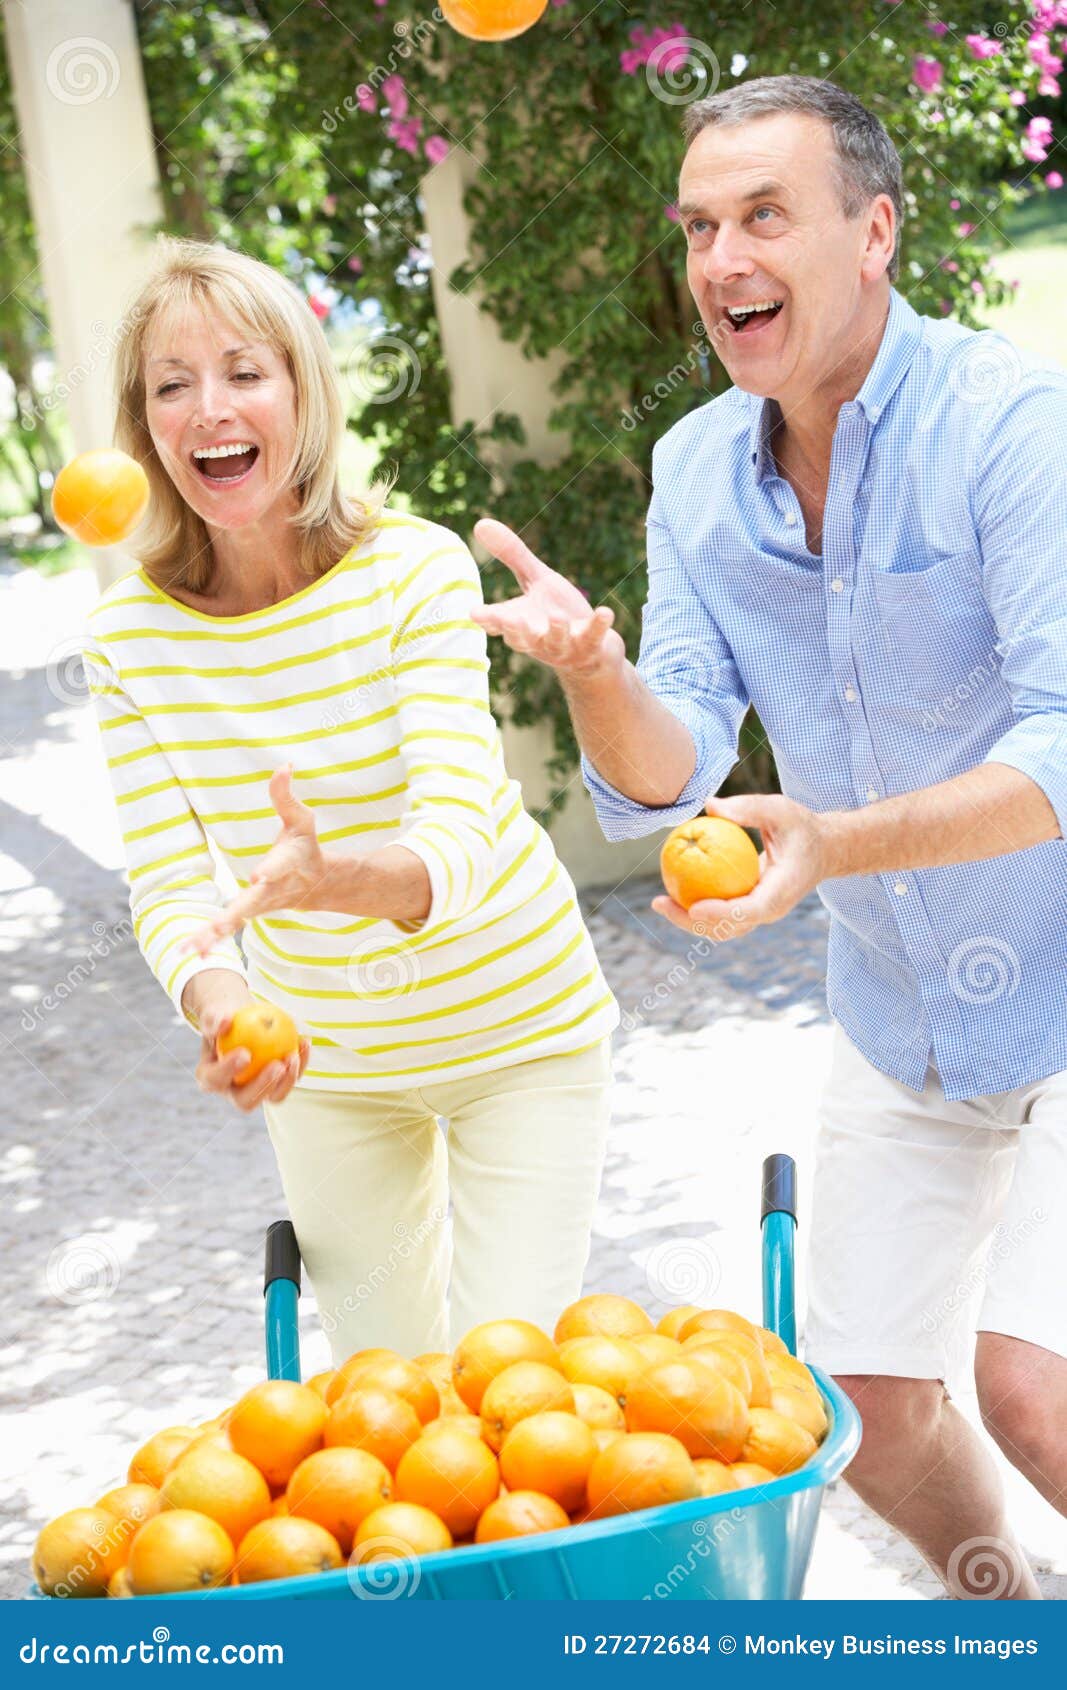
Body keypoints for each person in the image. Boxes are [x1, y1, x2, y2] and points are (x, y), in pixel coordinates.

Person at [473, 76, 1067, 1600]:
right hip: (899, 1008)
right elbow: (668, 772)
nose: (719, 260)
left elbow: (1062, 736)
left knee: (1030, 1390)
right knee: (855, 1412)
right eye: (696, 228)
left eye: (759, 216)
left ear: (871, 233)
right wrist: (596, 674)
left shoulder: (1007, 424)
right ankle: (1014, 1625)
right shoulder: (693, 475)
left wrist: (831, 844)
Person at [82, 239, 617, 1367]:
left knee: (503, 1390)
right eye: (171, 385)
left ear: (303, 392)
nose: (209, 409)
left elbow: (459, 839)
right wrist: (224, 1010)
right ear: (144, 427)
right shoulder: (127, 639)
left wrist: (328, 880)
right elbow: (170, 890)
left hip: (518, 1030)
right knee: (382, 1405)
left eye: (244, 372)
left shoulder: (411, 568)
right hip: (332, 1070)